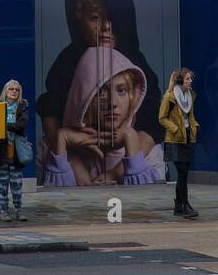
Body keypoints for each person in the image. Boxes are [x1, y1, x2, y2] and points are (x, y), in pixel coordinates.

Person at [36, 0, 163, 152]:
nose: (105, 27)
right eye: (95, 18)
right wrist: (72, 158)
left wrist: (119, 168)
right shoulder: (67, 62)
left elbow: (153, 126)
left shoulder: (137, 63)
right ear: (79, 18)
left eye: (113, 19)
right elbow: (50, 109)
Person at [39, 47, 164, 186]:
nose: (112, 103)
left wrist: (131, 144)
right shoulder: (50, 148)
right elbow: (52, 204)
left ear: (132, 96)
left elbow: (147, 203)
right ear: (82, 97)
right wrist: (61, 142)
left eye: (121, 90)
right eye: (100, 92)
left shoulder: (150, 152)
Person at [159, 68, 200, 218]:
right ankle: (185, 205)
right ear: (180, 81)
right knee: (182, 172)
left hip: (187, 137)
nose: (190, 81)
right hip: (174, 139)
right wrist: (175, 129)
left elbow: (189, 116)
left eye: (190, 78)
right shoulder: (169, 97)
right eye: (188, 78)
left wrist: (195, 123)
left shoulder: (190, 96)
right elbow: (162, 118)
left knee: (184, 174)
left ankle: (179, 206)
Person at [0, 79, 29, 222]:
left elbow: (21, 125)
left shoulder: (22, 106)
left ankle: (18, 210)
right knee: (2, 184)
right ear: (5, 91)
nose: (14, 91)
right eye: (11, 89)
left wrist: (4, 124)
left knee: (16, 184)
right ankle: (4, 211)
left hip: (16, 152)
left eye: (17, 89)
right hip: (2, 151)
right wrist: (11, 125)